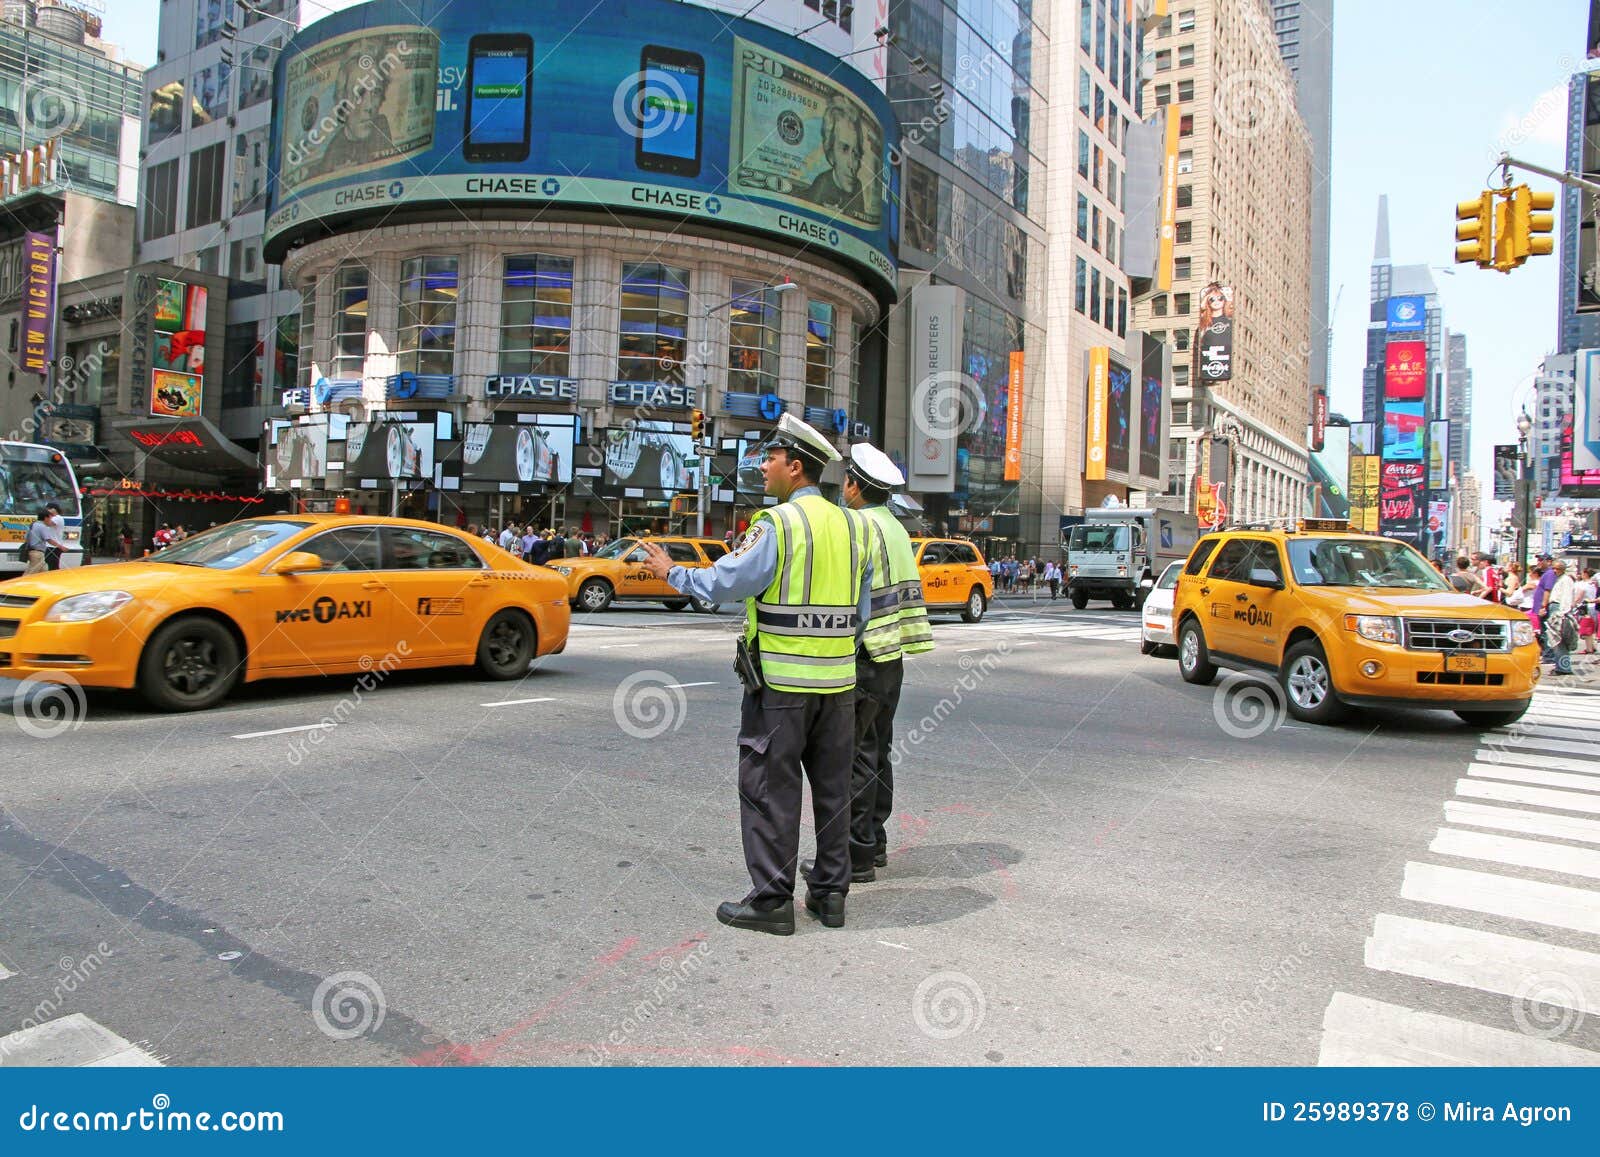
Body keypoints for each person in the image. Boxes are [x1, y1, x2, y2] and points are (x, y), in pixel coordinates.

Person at [638, 414, 872, 935]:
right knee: (834, 791)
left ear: (796, 466)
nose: (763, 466)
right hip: (839, 687)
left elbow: (727, 582)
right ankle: (830, 896)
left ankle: (771, 902)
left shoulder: (778, 524)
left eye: (771, 458)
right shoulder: (856, 527)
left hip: (782, 688)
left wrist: (672, 572)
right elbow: (862, 613)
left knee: (769, 789)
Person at [806, 443, 933, 885]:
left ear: (855, 486)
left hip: (864, 656)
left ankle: (854, 854)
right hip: (892, 657)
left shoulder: (859, 526)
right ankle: (874, 841)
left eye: (846, 481)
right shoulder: (895, 527)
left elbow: (854, 599)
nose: (843, 488)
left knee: (853, 756)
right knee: (878, 751)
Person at [796, 103, 868, 216]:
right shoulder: (822, 184)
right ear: (831, 155)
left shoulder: (857, 187)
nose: (852, 165)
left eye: (856, 153)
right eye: (844, 149)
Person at [1547, 559, 1578, 675]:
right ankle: (1560, 665)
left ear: (1563, 569)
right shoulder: (1559, 579)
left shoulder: (1566, 580)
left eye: (1558, 568)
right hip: (1555, 608)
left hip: (1559, 610)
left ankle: (1563, 668)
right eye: (1554, 568)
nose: (1555, 571)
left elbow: (1566, 597)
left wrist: (1562, 612)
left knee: (1559, 640)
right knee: (1555, 640)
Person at [21, 508, 56, 575]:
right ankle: (22, 582)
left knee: (44, 571)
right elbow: (48, 539)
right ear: (46, 518)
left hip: (32, 551)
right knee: (30, 573)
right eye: (50, 518)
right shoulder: (42, 526)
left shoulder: (32, 524)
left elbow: (25, 537)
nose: (50, 520)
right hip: (37, 553)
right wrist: (60, 546)